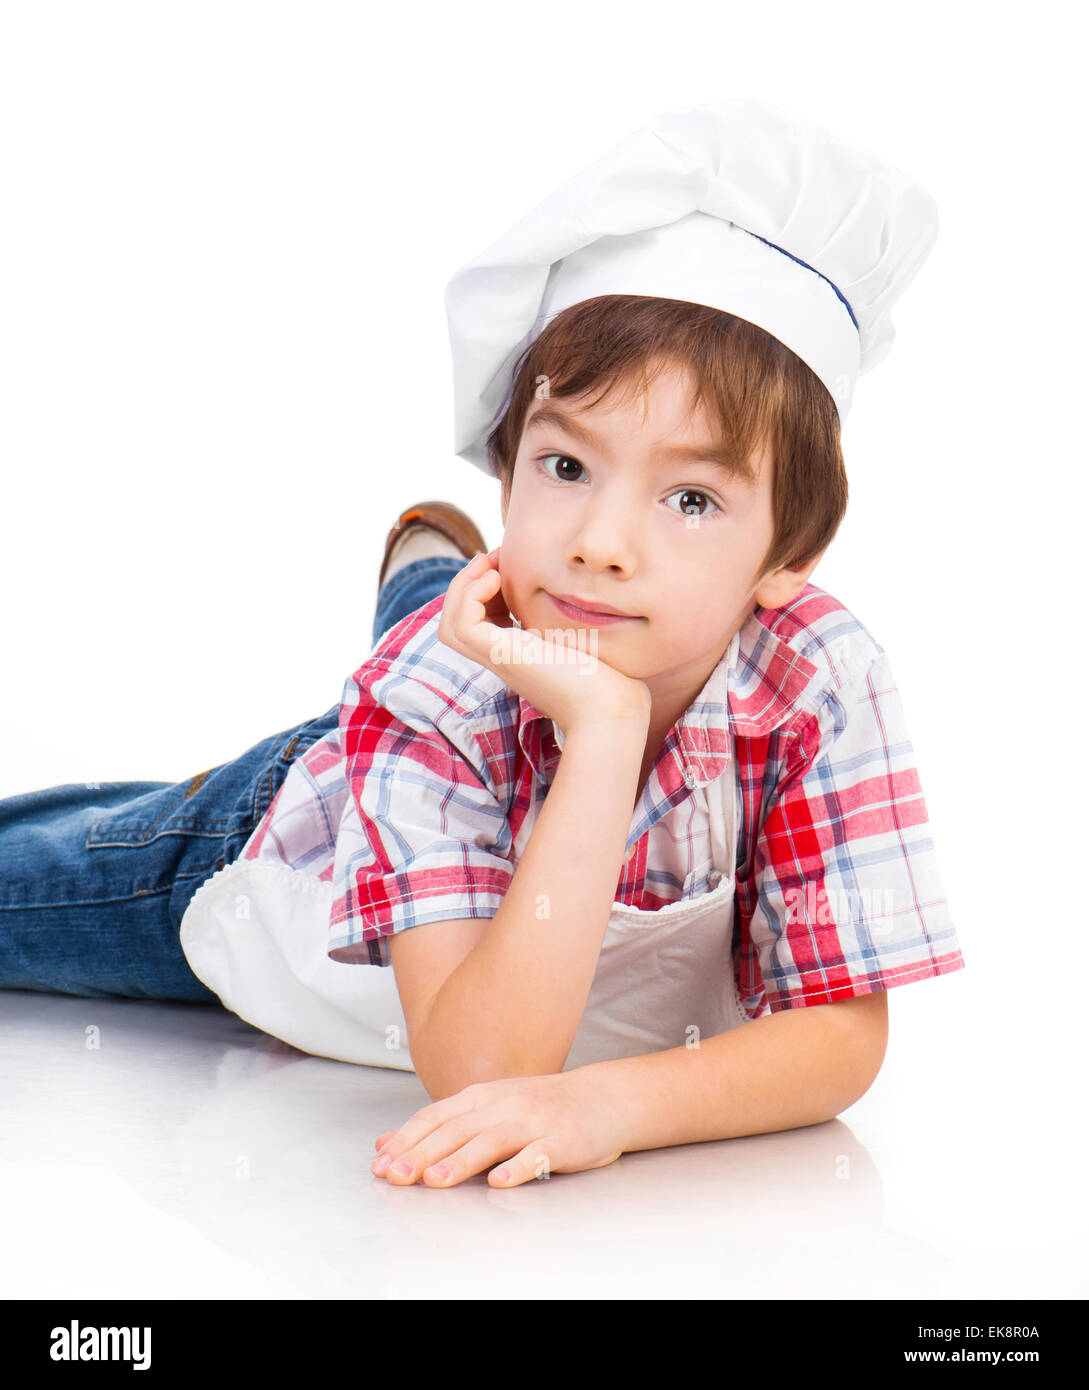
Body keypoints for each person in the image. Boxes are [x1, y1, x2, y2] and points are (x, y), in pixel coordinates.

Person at [0, 97, 965, 1190]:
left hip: (489, 647)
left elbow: (840, 1035)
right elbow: (483, 1067)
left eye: (691, 499)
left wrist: (610, 1105)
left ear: (792, 551)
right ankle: (426, 588)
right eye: (564, 469)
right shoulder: (440, 693)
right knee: (30, 893)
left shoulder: (818, 679)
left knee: (462, 615)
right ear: (506, 475)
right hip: (285, 835)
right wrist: (602, 732)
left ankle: (427, 572)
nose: (602, 544)